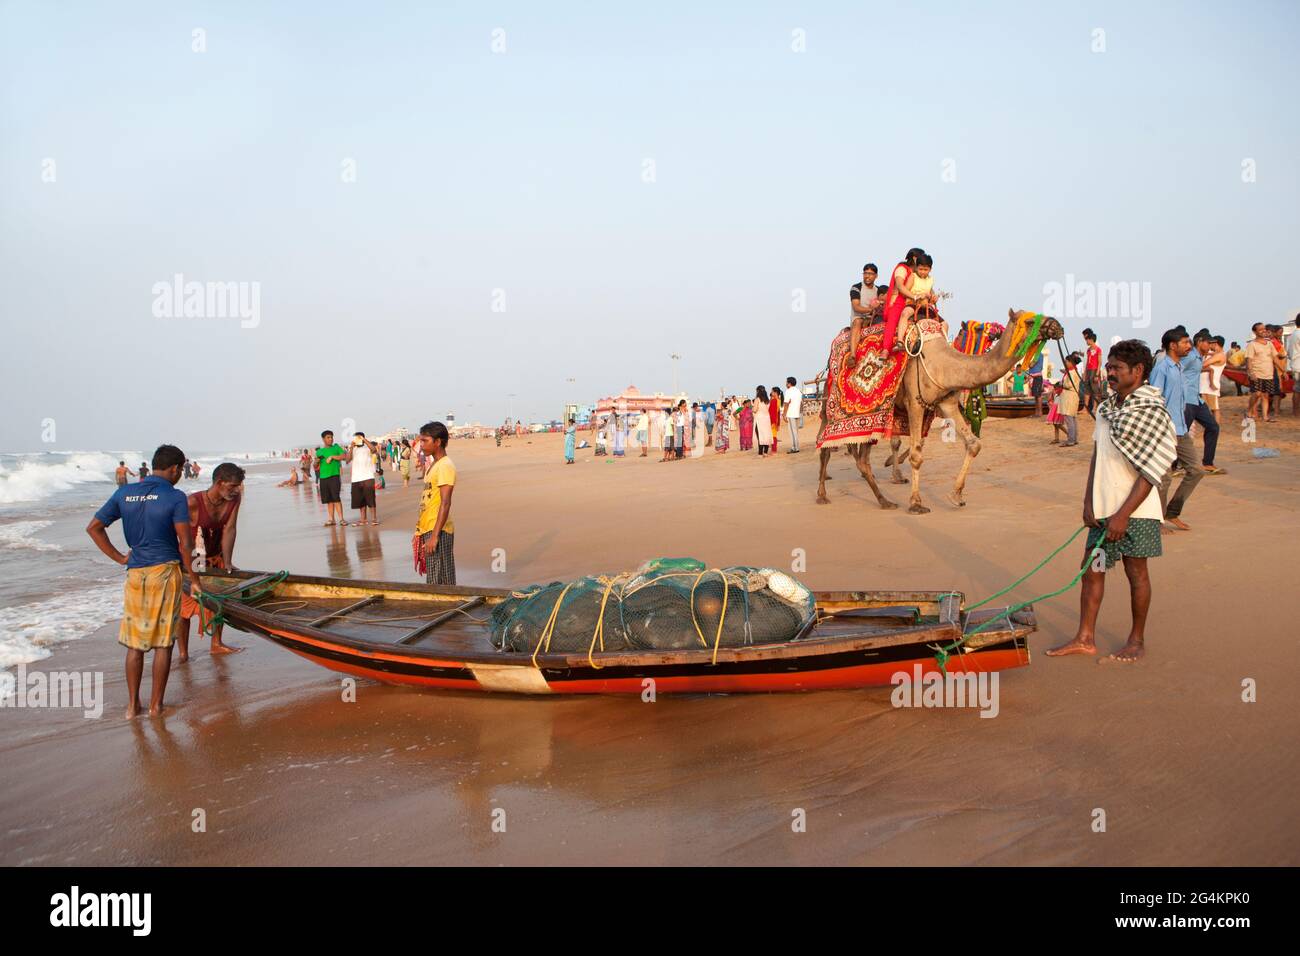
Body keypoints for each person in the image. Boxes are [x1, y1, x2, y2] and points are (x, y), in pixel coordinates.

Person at [1046, 340, 1175, 665]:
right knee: (1093, 571)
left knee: (1136, 573)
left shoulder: (1153, 412)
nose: (1110, 372)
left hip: (1137, 511)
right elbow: (1096, 455)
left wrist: (1123, 515)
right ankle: (1085, 638)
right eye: (1110, 367)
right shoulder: (1105, 409)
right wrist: (1089, 501)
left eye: (1117, 368)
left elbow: (1152, 470)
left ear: (1138, 371)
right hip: (1103, 508)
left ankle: (1136, 640)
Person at [86, 445, 195, 718]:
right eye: (180, 470)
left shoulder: (124, 492)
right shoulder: (175, 496)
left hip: (135, 574)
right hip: (165, 572)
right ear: (175, 469)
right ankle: (156, 706)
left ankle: (132, 706)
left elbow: (94, 528)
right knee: (163, 643)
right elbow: (186, 543)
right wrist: (193, 577)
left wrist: (120, 558)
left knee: (135, 644)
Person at [178, 462, 246, 659]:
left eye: (238, 486)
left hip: (215, 556)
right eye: (232, 486)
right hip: (192, 560)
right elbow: (176, 531)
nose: (236, 490)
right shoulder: (192, 502)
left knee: (218, 602)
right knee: (184, 608)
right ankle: (183, 652)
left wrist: (228, 561)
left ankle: (216, 643)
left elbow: (230, 529)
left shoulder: (234, 499)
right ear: (219, 482)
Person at [1148, 327, 1203, 532]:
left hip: (1181, 429)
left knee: (1196, 470)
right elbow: (1154, 399)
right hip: (1164, 430)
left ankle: (1172, 512)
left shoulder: (1179, 367)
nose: (1189, 346)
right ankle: (1157, 519)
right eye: (1185, 342)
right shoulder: (1162, 368)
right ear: (1173, 345)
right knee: (1164, 477)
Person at [414, 421, 456, 585]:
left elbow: (445, 503)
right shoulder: (434, 465)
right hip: (429, 527)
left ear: (438, 442)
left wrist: (434, 536)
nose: (421, 445)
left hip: (439, 529)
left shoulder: (445, 465)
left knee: (440, 579)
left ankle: (448, 609)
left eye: (425, 441)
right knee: (435, 578)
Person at [1188, 329, 1225, 475]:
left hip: (1196, 399)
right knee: (1181, 432)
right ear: (1200, 342)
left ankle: (1208, 463)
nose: (1210, 346)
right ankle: (1175, 465)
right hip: (1187, 400)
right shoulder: (1191, 357)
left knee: (1213, 427)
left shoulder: (1200, 356)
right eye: (1207, 343)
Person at [880, 248, 926, 354]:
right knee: (892, 321)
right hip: (899, 300)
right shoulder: (902, 269)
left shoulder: (918, 274)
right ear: (915, 258)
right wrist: (915, 296)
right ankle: (886, 349)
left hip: (913, 302)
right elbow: (900, 287)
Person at [1244, 322, 1282, 422]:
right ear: (1255, 332)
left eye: (1264, 328)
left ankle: (1265, 416)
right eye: (1260, 329)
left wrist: (1283, 370)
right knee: (1256, 393)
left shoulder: (1269, 344)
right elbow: (1248, 360)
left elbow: (1275, 358)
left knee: (1265, 395)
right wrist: (1250, 372)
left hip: (1268, 374)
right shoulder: (1252, 345)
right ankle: (1249, 411)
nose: (1263, 330)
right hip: (1256, 373)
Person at [316, 430, 347, 526]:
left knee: (336, 498)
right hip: (323, 477)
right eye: (328, 437)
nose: (331, 439)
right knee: (328, 500)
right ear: (323, 439)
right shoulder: (319, 452)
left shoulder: (336, 447)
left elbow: (344, 456)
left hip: (334, 476)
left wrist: (333, 457)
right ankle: (331, 519)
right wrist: (315, 462)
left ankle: (341, 519)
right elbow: (316, 466)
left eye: (331, 437)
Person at [349, 432, 379, 525]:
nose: (357, 439)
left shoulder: (367, 447)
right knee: (360, 501)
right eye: (356, 438)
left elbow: (374, 450)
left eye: (359, 438)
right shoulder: (353, 449)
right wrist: (351, 447)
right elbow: (347, 459)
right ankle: (363, 519)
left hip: (368, 476)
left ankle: (374, 519)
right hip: (356, 478)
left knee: (370, 499)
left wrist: (364, 440)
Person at [1199, 336, 1226, 426]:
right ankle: (1213, 427)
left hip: (1210, 386)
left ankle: (1215, 427)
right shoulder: (1216, 354)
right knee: (1209, 408)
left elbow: (1204, 364)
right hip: (1206, 386)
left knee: (1214, 408)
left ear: (1216, 344)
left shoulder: (1219, 355)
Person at [1058, 353, 1083, 447]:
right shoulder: (1072, 371)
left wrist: (1061, 385)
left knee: (1069, 419)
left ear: (1070, 362)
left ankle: (1071, 440)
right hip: (1071, 395)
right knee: (1072, 418)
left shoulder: (1072, 372)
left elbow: (1069, 384)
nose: (1065, 363)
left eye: (1066, 361)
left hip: (1069, 395)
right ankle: (1074, 438)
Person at [1082, 328, 1105, 415]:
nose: (1086, 341)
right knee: (1087, 389)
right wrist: (1084, 373)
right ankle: (1085, 407)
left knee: (1095, 390)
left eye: (1087, 340)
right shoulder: (1088, 350)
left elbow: (1100, 362)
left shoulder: (1098, 349)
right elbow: (1087, 361)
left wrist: (1097, 373)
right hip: (1088, 370)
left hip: (1094, 370)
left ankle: (1095, 408)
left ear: (1091, 340)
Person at [784, 376, 803, 453]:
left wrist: (784, 414)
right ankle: (796, 447)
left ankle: (795, 447)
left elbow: (786, 403)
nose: (785, 384)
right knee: (796, 431)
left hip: (791, 413)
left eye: (786, 382)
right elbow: (801, 403)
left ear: (789, 383)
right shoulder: (798, 391)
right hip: (797, 413)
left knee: (792, 432)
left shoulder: (788, 391)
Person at [754, 386, 773, 455]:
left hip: (759, 419)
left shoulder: (757, 399)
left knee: (760, 436)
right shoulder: (767, 400)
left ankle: (760, 453)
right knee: (766, 435)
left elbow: (754, 410)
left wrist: (753, 408)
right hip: (767, 419)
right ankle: (765, 452)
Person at [1289, 316, 1300, 417]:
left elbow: (1289, 352)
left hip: (1295, 365)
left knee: (1297, 390)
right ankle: (1296, 412)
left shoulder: (1293, 334)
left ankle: (1295, 412)